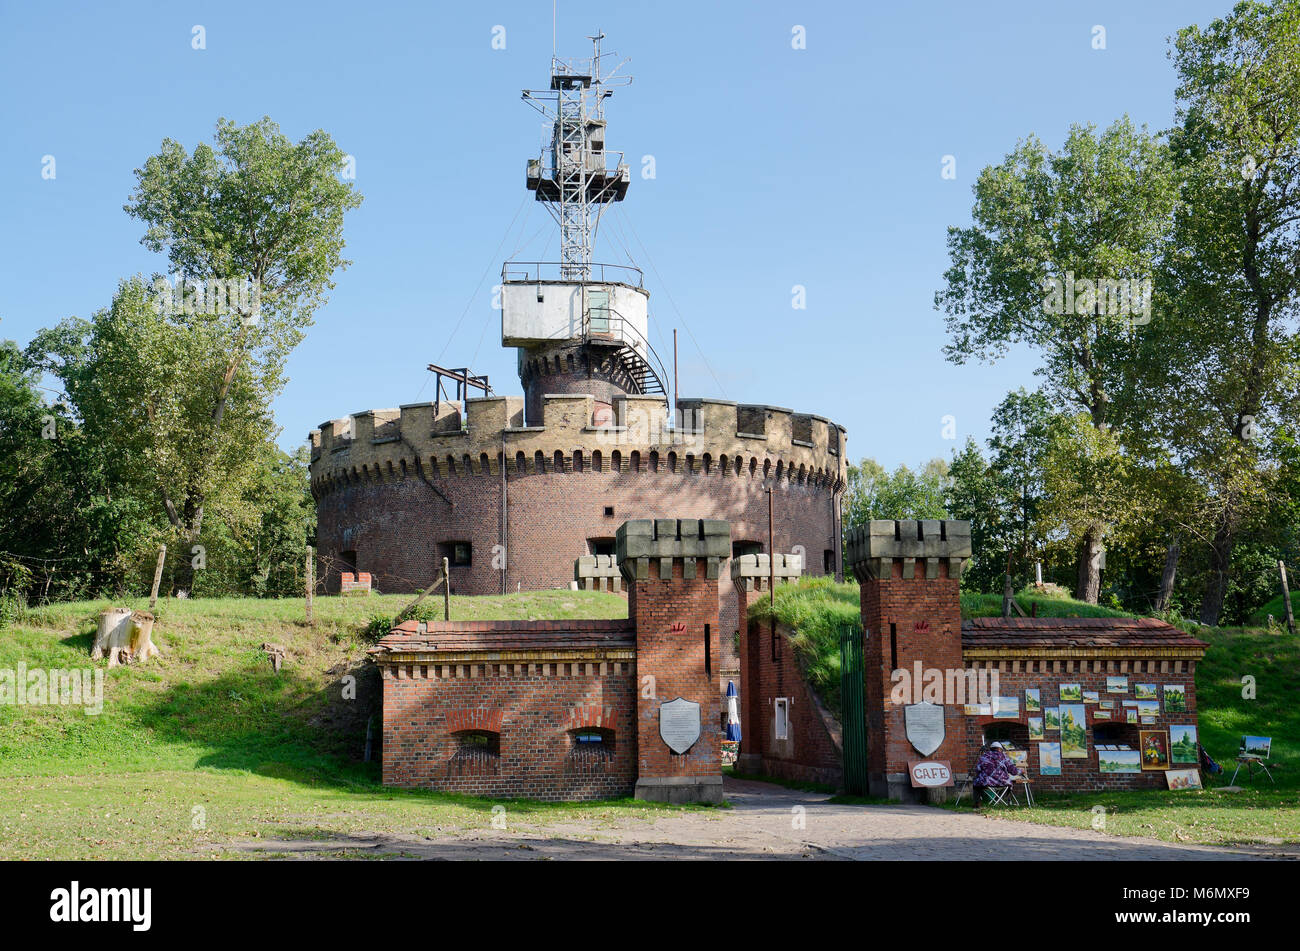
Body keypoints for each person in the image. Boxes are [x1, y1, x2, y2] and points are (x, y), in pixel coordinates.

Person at [972, 741, 1020, 809]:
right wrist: (1021, 771)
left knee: (976, 783)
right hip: (1003, 782)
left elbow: (978, 769)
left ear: (991, 749)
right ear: (1000, 749)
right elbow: (1013, 771)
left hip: (987, 782)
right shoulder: (1004, 757)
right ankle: (1006, 802)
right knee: (1009, 784)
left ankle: (977, 803)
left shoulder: (984, 757)